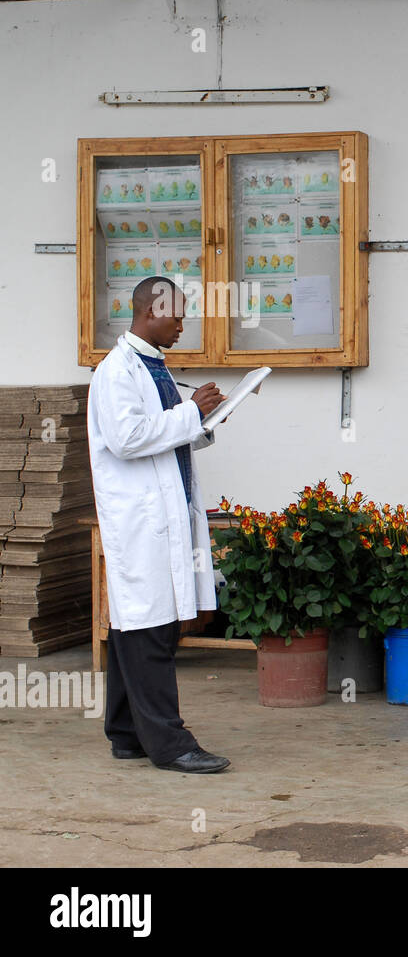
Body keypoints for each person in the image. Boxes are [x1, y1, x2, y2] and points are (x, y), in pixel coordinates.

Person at [87, 277, 231, 773]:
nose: (183, 324)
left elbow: (165, 433)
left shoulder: (156, 368)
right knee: (150, 626)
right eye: (178, 315)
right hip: (140, 519)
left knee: (139, 623)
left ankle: (126, 733)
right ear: (152, 311)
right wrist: (191, 414)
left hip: (166, 512)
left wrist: (204, 420)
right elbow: (127, 438)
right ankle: (170, 745)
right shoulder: (116, 371)